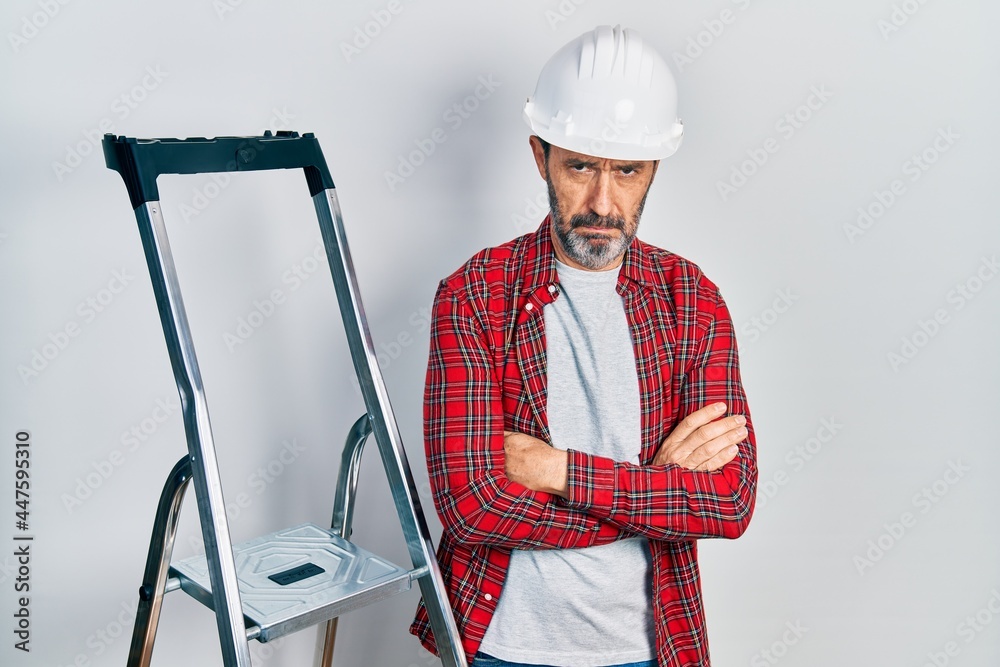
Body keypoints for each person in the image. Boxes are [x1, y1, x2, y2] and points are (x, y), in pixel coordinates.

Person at [410, 25, 758, 667]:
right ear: (540, 155)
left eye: (627, 171)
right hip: (499, 647)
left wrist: (556, 470)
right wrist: (658, 492)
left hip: (653, 647)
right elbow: (469, 508)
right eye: (580, 166)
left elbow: (730, 502)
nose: (603, 202)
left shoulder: (692, 299)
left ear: (654, 168)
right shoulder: (474, 295)